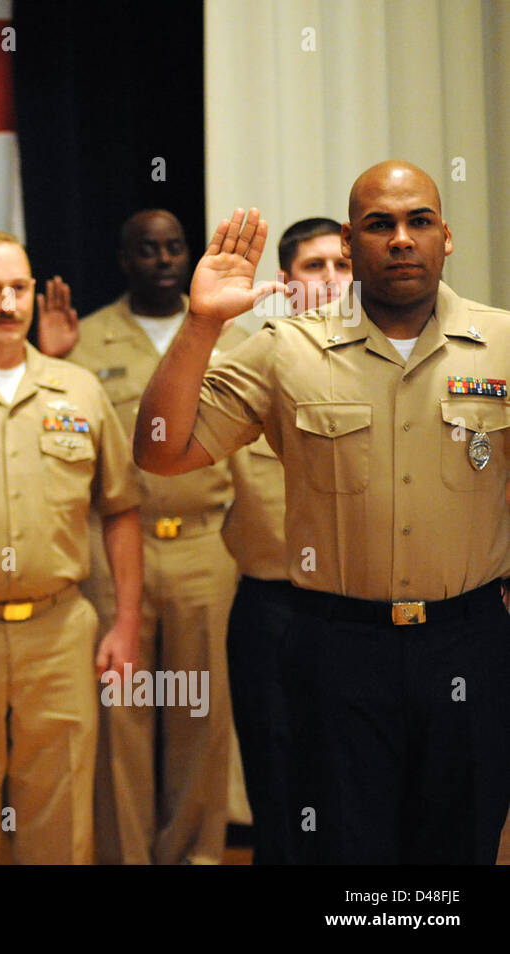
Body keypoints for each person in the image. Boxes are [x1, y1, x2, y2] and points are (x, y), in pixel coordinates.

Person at [135, 160, 510, 864]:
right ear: (350, 239)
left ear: (446, 238)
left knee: (459, 847)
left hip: (471, 643)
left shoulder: (504, 343)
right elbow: (161, 450)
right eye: (380, 224)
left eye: (418, 222)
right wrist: (202, 324)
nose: (401, 239)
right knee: (342, 849)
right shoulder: (287, 349)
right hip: (338, 650)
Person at [39, 209, 243, 864]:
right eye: (147, 250)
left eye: (174, 247)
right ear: (124, 260)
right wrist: (52, 363)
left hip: (206, 547)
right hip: (114, 548)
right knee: (119, 720)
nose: (163, 259)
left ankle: (196, 855)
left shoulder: (228, 337)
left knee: (201, 718)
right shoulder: (87, 340)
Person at [0, 231, 142, 864]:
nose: (8, 304)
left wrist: (127, 624)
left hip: (60, 632)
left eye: (18, 288)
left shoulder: (78, 389)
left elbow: (121, 510)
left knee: (63, 816)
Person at [222, 217, 352, 864]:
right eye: (313, 266)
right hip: (274, 608)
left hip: (362, 612)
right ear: (285, 281)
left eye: (340, 265)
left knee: (359, 787)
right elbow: (171, 435)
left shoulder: (397, 363)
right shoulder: (256, 361)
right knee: (278, 788)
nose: (330, 279)